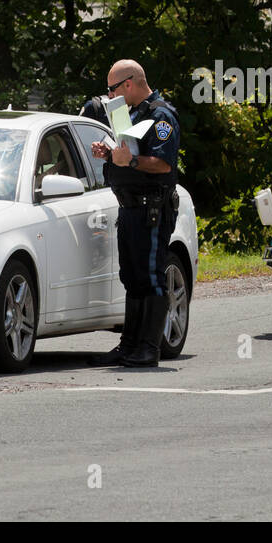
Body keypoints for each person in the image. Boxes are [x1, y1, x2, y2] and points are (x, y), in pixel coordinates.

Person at [87, 60, 180, 367]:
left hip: (151, 207)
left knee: (151, 277)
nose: (110, 95)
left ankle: (149, 348)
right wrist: (110, 153)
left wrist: (132, 163)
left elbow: (164, 163)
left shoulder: (161, 115)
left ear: (129, 83)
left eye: (112, 88)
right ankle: (129, 345)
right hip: (129, 207)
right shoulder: (129, 115)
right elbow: (127, 152)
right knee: (131, 277)